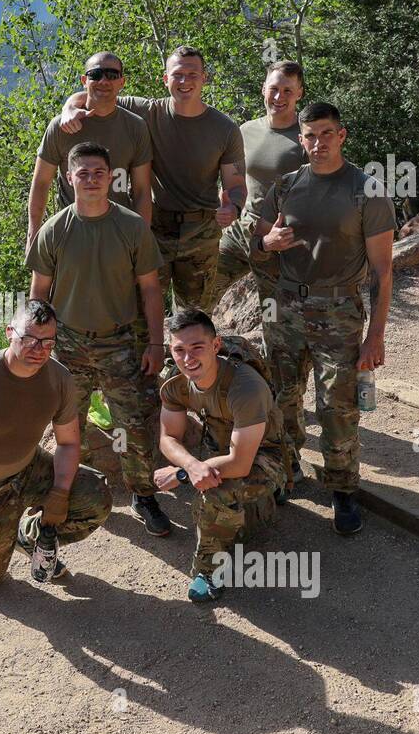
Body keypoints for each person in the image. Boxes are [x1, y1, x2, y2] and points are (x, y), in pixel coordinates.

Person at [251, 102, 395, 534]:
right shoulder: (287, 185)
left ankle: (343, 489)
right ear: (301, 139)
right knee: (281, 399)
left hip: (338, 311)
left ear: (342, 135)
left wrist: (375, 337)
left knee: (337, 406)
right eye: (310, 135)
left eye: (327, 133)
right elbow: (257, 239)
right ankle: (287, 471)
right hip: (286, 309)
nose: (319, 143)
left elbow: (383, 271)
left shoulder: (366, 190)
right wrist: (268, 243)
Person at [27, 141, 173, 536]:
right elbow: (38, 293)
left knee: (136, 425)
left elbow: (151, 291)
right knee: (68, 424)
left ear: (111, 178)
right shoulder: (54, 230)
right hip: (68, 344)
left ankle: (144, 496)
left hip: (120, 342)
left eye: (98, 173)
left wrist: (156, 345)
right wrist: (39, 345)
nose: (91, 180)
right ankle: (82, 491)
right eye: (83, 173)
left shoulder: (131, 227)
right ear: (69, 177)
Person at [0, 299, 113, 587]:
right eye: (29, 339)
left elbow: (67, 443)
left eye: (47, 343)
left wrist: (60, 493)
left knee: (95, 498)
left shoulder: (59, 378)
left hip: (29, 467)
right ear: (9, 332)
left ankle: (26, 535)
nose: (38, 350)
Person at [58, 46, 246, 312]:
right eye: (177, 75)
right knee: (142, 311)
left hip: (201, 233)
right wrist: (68, 108)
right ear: (165, 79)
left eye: (192, 74)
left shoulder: (225, 129)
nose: (184, 82)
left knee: (195, 316)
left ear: (204, 78)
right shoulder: (148, 111)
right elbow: (96, 93)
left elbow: (236, 185)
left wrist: (233, 207)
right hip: (154, 229)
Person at [154, 309, 287, 601]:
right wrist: (191, 465)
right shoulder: (176, 381)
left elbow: (240, 464)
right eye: (179, 350)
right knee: (206, 481)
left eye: (197, 348)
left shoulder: (245, 386)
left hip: (264, 454)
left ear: (215, 346)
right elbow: (168, 437)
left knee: (215, 490)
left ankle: (210, 569)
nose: (188, 359)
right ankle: (249, 512)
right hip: (220, 442)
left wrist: (182, 474)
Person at [200, 60, 307, 314]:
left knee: (276, 318)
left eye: (288, 91)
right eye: (274, 89)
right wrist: (224, 205)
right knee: (201, 290)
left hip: (280, 240)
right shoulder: (244, 131)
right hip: (240, 230)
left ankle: (275, 353)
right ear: (263, 89)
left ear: (299, 94)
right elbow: (232, 179)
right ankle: (192, 350)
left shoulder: (307, 137)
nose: (279, 97)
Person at [27, 51, 153, 250]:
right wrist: (33, 234)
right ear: (84, 80)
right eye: (96, 74)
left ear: (122, 82)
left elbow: (142, 191)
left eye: (112, 75)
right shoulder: (62, 127)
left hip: (120, 235)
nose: (104, 80)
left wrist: (142, 241)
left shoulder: (136, 127)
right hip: (71, 235)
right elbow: (41, 182)